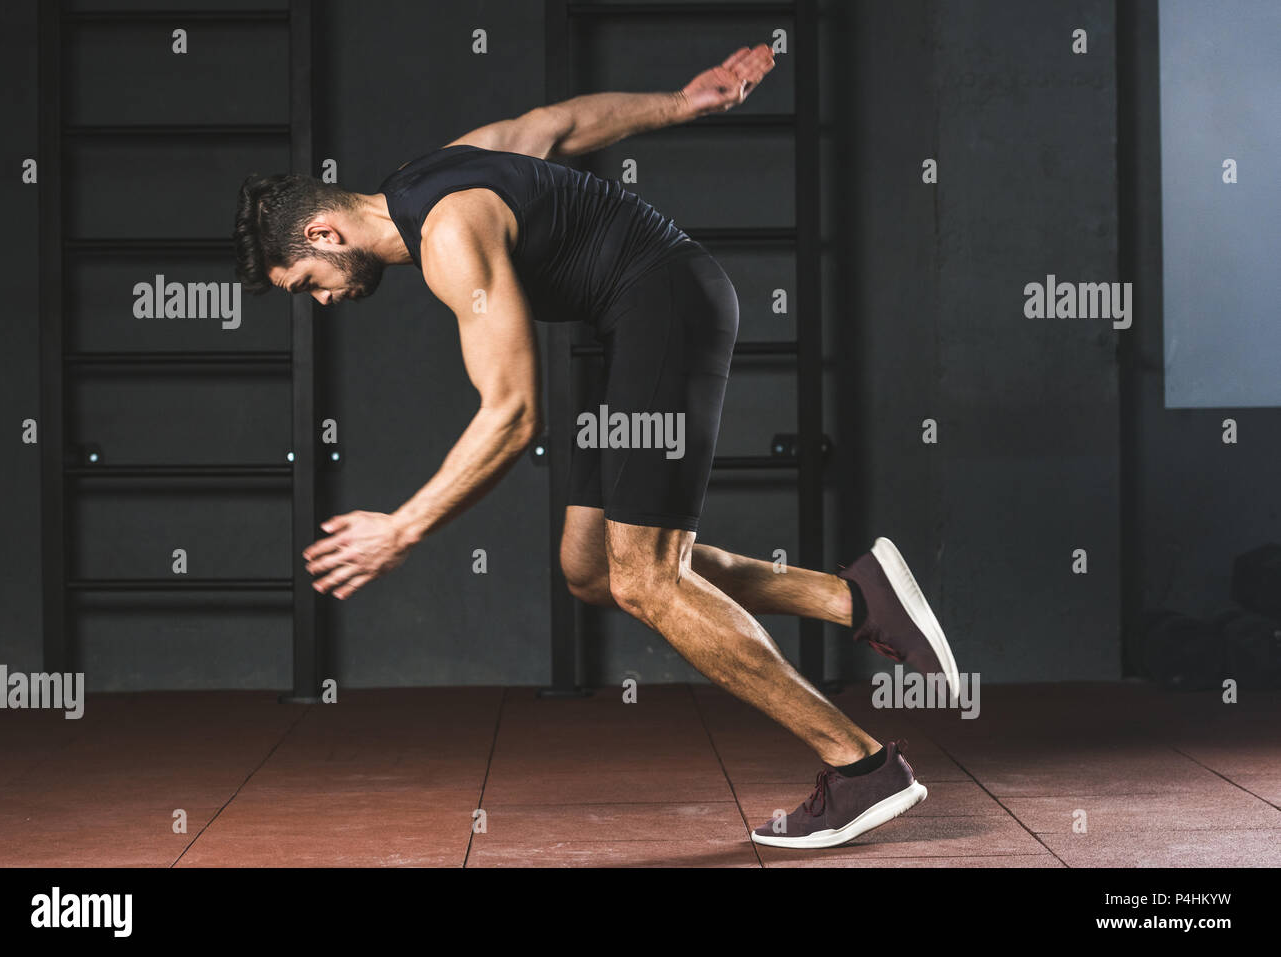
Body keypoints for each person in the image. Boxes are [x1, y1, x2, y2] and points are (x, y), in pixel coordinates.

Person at [232, 44, 957, 848]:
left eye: (308, 283)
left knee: (648, 579)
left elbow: (512, 416)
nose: (324, 302)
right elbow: (556, 123)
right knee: (590, 567)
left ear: (324, 231)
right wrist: (683, 103)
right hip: (637, 322)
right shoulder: (422, 174)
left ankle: (862, 766)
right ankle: (854, 599)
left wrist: (403, 527)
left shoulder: (447, 236)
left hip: (667, 306)